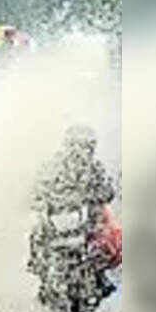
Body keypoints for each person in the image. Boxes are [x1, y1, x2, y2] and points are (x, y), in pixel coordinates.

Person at [28, 125, 118, 301]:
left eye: (85, 146)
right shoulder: (52, 166)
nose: (80, 150)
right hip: (57, 217)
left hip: (84, 218)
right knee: (37, 234)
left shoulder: (95, 168)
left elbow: (108, 190)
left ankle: (100, 276)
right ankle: (40, 270)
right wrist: (36, 199)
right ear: (68, 145)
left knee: (104, 234)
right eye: (77, 145)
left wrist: (100, 196)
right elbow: (35, 187)